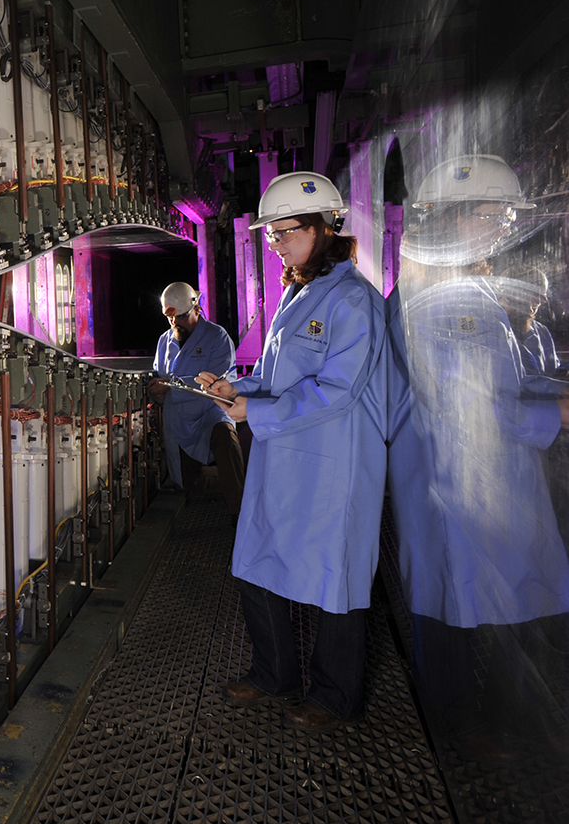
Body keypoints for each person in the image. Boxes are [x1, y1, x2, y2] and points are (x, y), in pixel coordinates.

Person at [386, 154, 569, 761]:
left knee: (456, 600)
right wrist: (560, 413)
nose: (505, 225)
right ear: (461, 219)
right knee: (453, 604)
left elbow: (507, 379)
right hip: (458, 483)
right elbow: (481, 408)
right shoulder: (446, 300)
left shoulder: (458, 287)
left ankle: (474, 722)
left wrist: (555, 395)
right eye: (498, 213)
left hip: (462, 480)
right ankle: (461, 731)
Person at [198, 172, 390, 733]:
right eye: (273, 233)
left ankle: (336, 697)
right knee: (256, 560)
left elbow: (337, 389)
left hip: (333, 465)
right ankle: (274, 673)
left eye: (287, 232)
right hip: (284, 456)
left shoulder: (355, 300)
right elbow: (284, 378)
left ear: (325, 228)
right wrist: (240, 388)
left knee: (336, 580)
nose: (276, 242)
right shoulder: (298, 293)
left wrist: (254, 412)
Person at [147, 282, 245, 519]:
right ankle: (219, 486)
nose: (175, 322)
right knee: (188, 481)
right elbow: (160, 375)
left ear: (197, 309)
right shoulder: (164, 341)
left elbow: (215, 382)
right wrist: (157, 394)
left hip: (210, 410)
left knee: (225, 438)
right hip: (178, 417)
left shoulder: (216, 337)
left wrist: (170, 388)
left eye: (181, 317)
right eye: (170, 318)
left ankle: (241, 511)